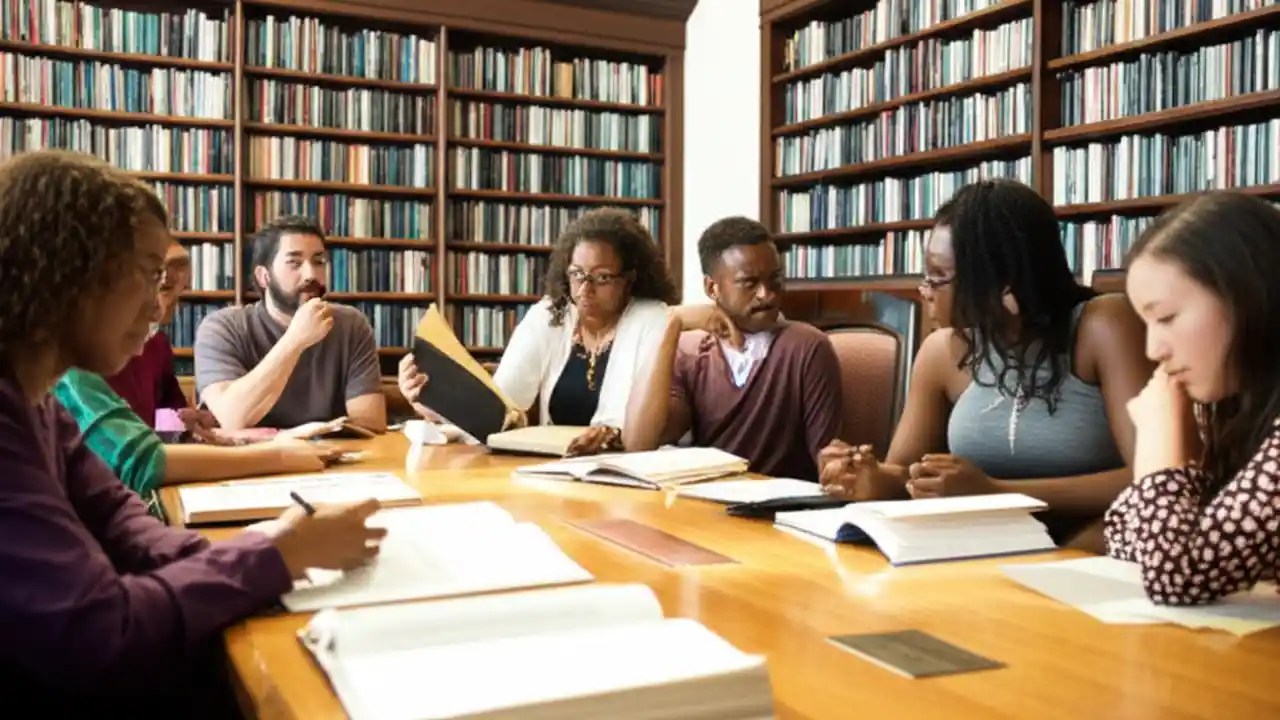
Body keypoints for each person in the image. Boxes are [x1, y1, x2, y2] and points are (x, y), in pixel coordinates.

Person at [0, 150, 385, 715]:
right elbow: (101, 631)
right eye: (149, 273)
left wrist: (262, 549)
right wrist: (271, 559)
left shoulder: (36, 399)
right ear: (73, 270)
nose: (160, 304)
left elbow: (117, 517)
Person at [818, 180, 1153, 543]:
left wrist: (996, 491)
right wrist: (870, 477)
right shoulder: (941, 352)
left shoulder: (1103, 325)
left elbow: (1155, 478)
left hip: (1091, 549)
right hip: (972, 549)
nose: (924, 291)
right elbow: (907, 475)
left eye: (937, 277)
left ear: (1003, 283)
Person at [52, 243, 343, 520]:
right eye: (161, 286)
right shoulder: (64, 368)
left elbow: (167, 419)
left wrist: (199, 430)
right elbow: (140, 461)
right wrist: (276, 455)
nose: (162, 311)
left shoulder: (154, 344)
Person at [1106, 191, 1280, 605]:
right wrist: (1183, 452)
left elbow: (1175, 577)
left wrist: (1160, 443)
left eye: (1165, 317)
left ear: (1245, 297)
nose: (1153, 349)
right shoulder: (1234, 404)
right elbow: (1124, 540)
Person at [398, 207, 679, 456]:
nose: (585, 290)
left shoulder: (650, 318)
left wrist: (609, 436)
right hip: (553, 469)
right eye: (577, 274)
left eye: (602, 277)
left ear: (630, 279)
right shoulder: (551, 314)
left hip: (621, 476)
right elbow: (502, 407)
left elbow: (635, 434)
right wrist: (436, 403)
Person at [624, 216, 842, 480]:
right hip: (705, 504)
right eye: (749, 283)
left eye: (775, 279)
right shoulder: (691, 353)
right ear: (711, 287)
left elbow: (828, 461)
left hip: (779, 506)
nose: (767, 294)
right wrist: (671, 324)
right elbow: (640, 443)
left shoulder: (808, 347)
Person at [195, 214, 387, 432]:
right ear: (264, 277)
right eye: (294, 263)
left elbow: (370, 422)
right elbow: (232, 417)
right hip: (250, 462)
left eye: (318, 261)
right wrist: (295, 340)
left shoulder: (350, 325)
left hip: (330, 458)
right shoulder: (222, 328)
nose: (311, 274)